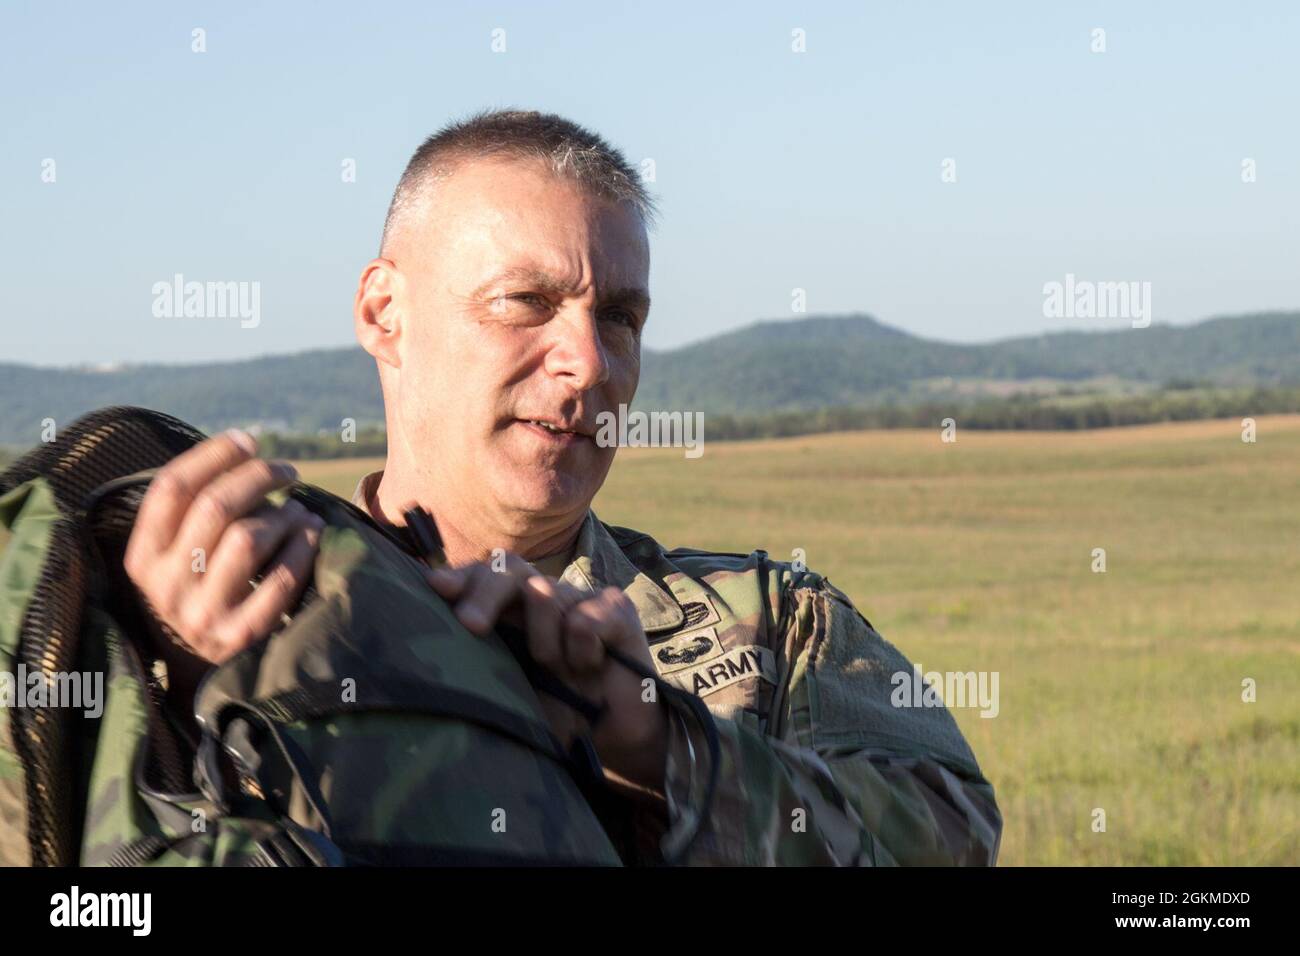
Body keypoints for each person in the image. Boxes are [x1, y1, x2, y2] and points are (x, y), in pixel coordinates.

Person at [124, 109, 1001, 865]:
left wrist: (658, 751)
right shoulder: (218, 591)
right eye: (524, 301)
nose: (589, 363)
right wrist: (177, 678)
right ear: (383, 314)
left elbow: (955, 839)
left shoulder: (770, 624)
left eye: (620, 316)